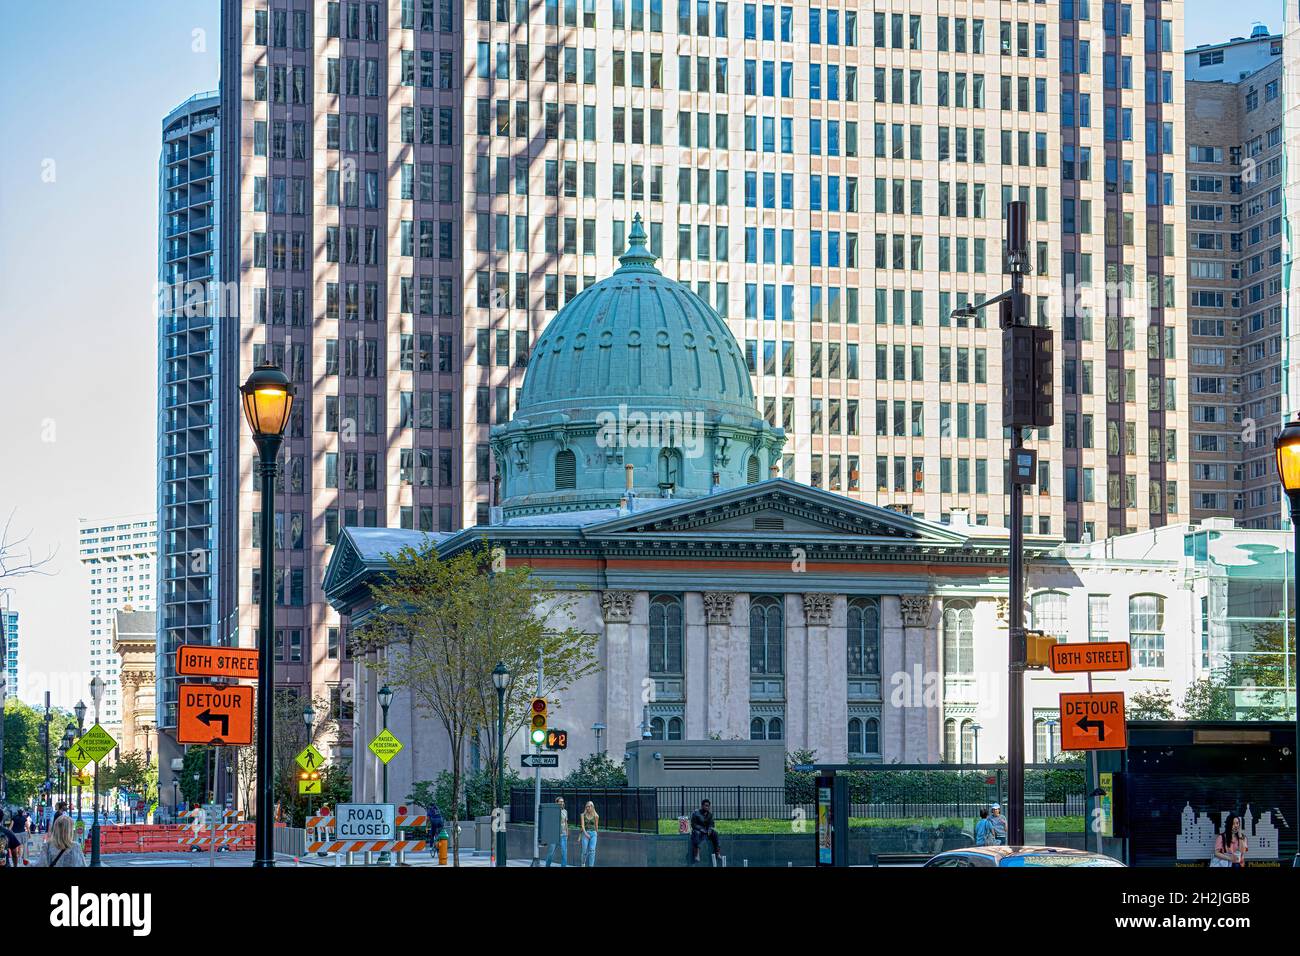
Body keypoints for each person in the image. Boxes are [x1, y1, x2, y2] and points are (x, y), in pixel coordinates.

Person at [689, 798, 722, 865]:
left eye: (708, 806)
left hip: (707, 831)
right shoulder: (696, 813)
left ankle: (717, 853)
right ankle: (696, 854)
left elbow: (712, 824)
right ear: (702, 806)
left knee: (715, 833)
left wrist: (710, 829)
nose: (707, 807)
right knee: (696, 833)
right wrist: (701, 829)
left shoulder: (710, 814)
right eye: (706, 805)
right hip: (698, 831)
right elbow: (693, 824)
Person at [543, 797, 568, 867]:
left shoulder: (565, 811)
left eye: (562, 802)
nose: (562, 803)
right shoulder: (552, 811)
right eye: (560, 802)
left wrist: (567, 833)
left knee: (564, 853)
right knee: (551, 853)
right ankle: (547, 865)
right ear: (556, 803)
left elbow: (566, 823)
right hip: (554, 835)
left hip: (563, 835)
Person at [579, 801, 599, 867]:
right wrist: (586, 834)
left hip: (593, 834)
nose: (587, 808)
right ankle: (583, 863)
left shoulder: (596, 816)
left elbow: (596, 826)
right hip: (585, 833)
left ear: (592, 807)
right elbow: (582, 826)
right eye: (586, 806)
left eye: (589, 806)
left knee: (592, 850)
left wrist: (596, 834)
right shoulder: (582, 815)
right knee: (584, 850)